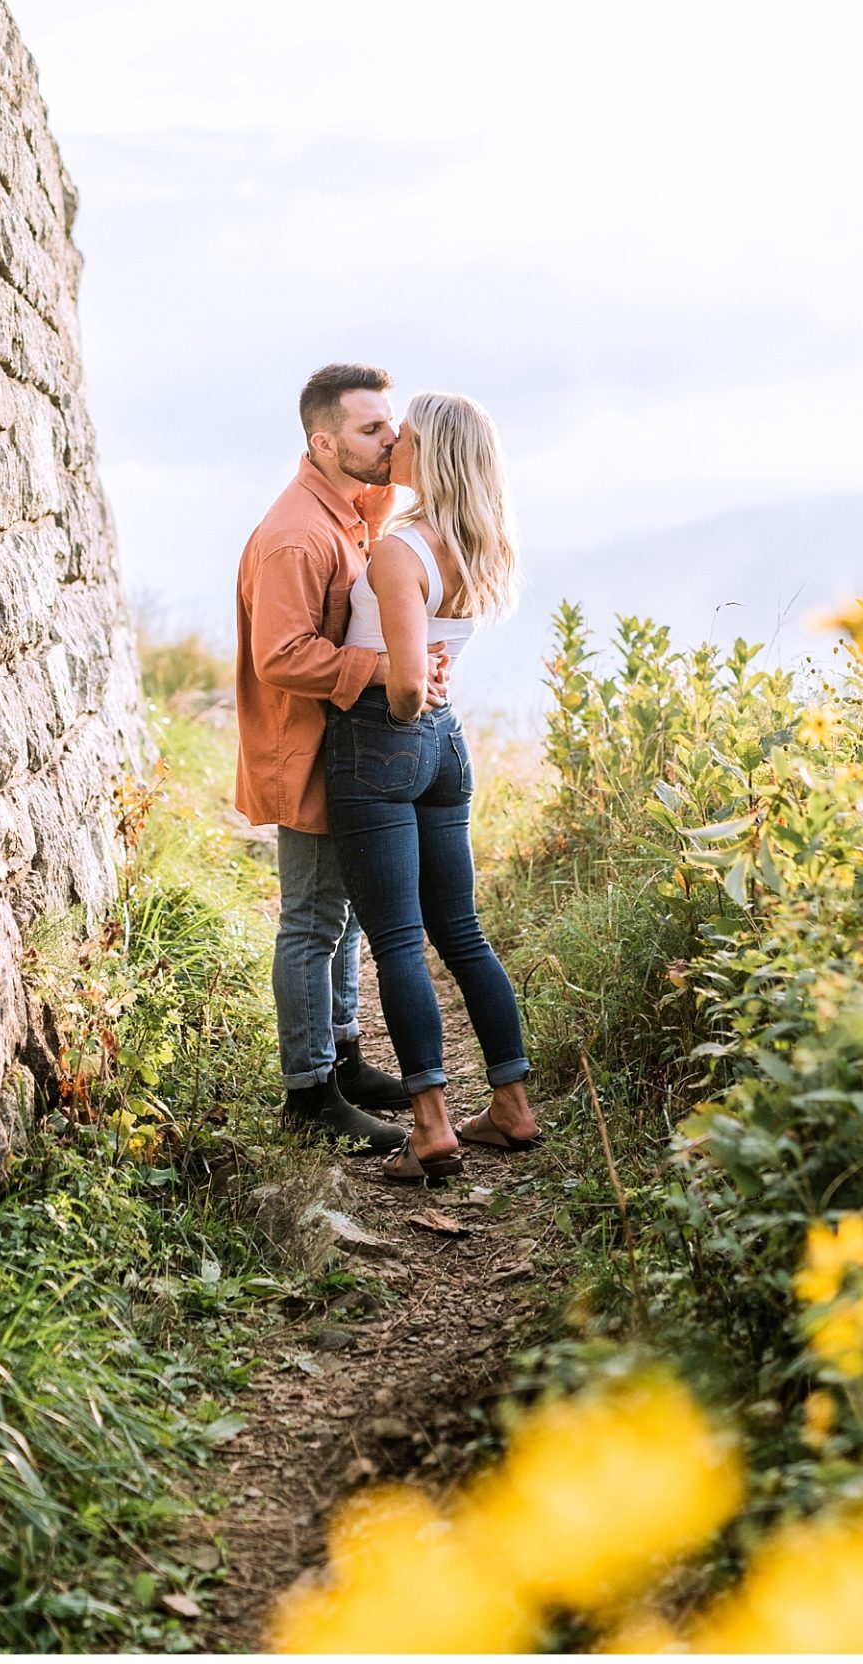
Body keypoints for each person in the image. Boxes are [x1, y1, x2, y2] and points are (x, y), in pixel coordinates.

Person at [325, 391, 541, 1181]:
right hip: (448, 748)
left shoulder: (400, 552)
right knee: (462, 932)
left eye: (406, 434)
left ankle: (431, 1128)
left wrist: (398, 704)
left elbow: (411, 684)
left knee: (397, 940)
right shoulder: (479, 545)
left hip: (383, 738)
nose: (394, 441)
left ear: (436, 453)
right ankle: (511, 1106)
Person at [235, 363, 450, 1149]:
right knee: (312, 919)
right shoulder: (297, 535)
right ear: (323, 444)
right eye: (371, 429)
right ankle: (309, 1094)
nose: (392, 439)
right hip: (304, 749)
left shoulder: (358, 508)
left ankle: (346, 1057)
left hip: (348, 748)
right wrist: (386, 669)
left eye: (391, 424)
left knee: (349, 910)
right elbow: (281, 655)